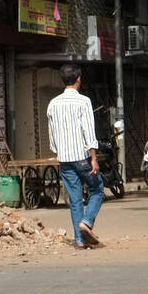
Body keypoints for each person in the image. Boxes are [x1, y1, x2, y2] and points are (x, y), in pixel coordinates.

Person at [46, 65, 104, 249]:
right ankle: (86, 222)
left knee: (75, 199)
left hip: (64, 159)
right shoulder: (83, 101)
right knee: (98, 189)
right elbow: (88, 129)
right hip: (82, 157)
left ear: (63, 80)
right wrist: (93, 157)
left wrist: (57, 151)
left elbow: (51, 134)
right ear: (79, 79)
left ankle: (80, 239)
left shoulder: (53, 103)